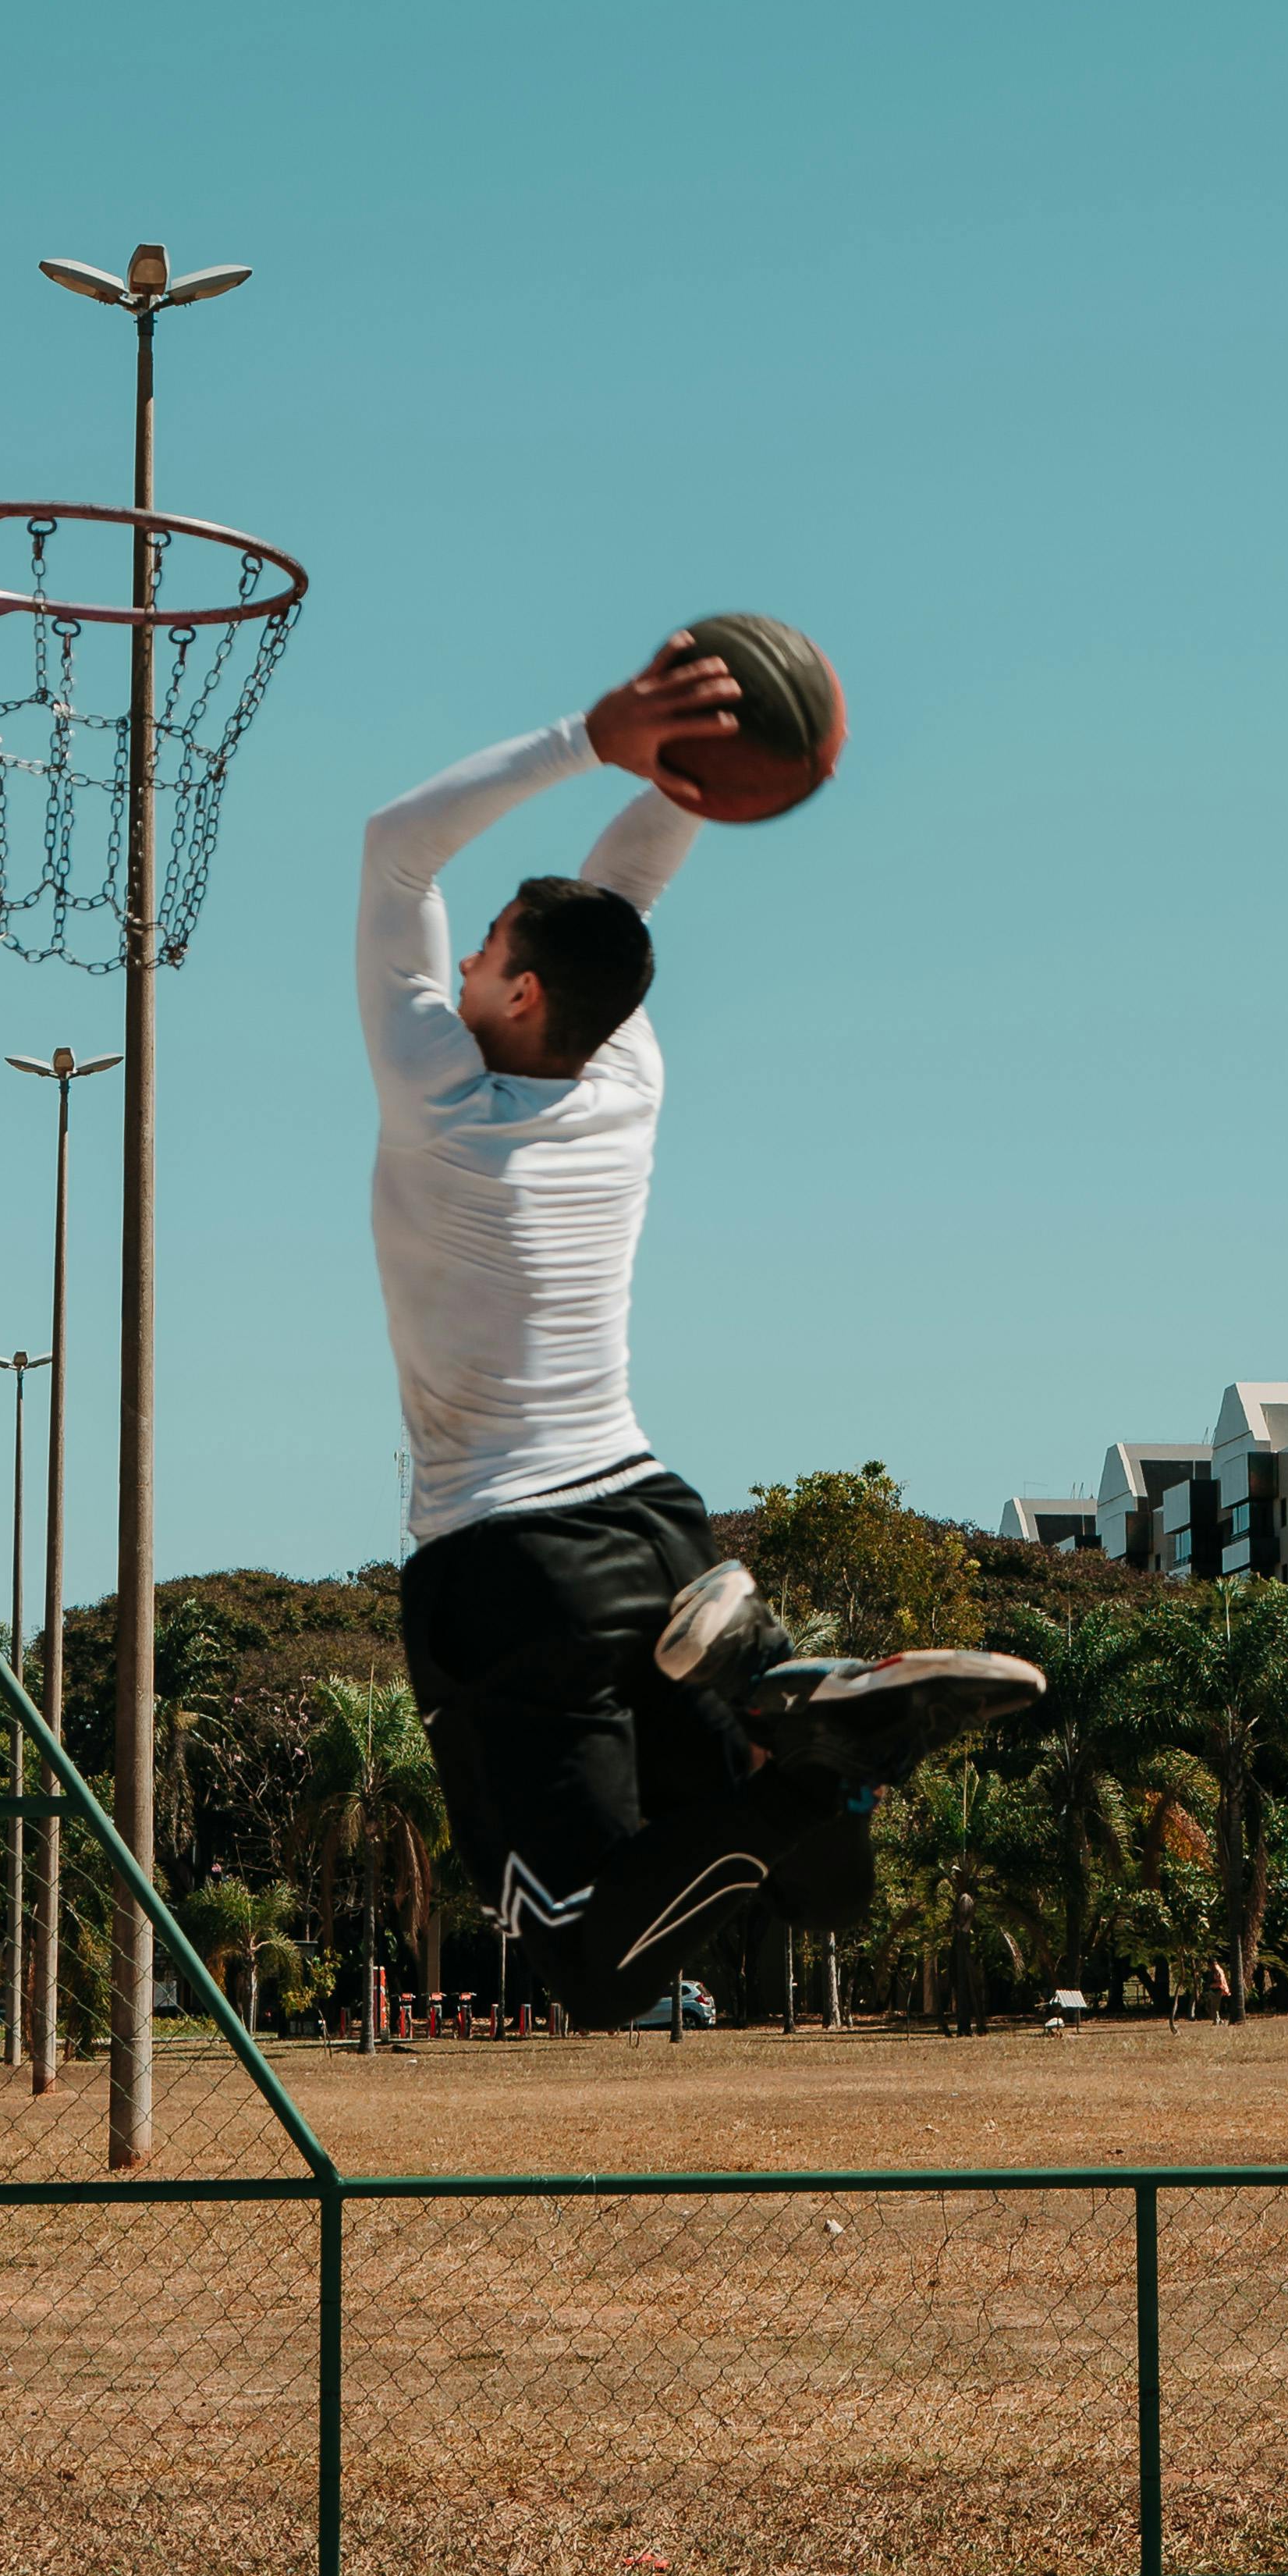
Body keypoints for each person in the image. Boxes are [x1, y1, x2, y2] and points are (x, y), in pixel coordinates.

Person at [360, 636, 1042, 2029]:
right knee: (812, 1892)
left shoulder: (444, 1102)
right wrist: (680, 754)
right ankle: (816, 1744)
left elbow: (395, 855)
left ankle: (811, 1762)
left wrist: (588, 733)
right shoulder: (628, 1071)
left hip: (513, 1567)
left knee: (586, 1968)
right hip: (659, 1525)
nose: (464, 961)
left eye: (485, 953)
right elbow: (624, 891)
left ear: (523, 995)